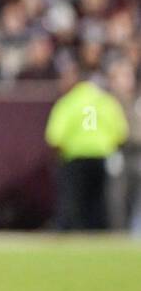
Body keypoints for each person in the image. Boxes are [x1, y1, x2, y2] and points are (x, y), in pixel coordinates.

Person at [45, 66, 129, 230]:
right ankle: (99, 232)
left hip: (75, 157)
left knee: (75, 199)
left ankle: (78, 231)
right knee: (99, 199)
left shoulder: (68, 102)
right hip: (101, 155)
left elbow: (54, 136)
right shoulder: (107, 102)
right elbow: (121, 132)